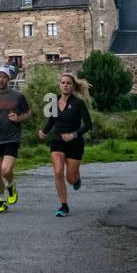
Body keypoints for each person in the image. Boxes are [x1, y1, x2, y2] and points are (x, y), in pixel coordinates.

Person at [39, 73, 93, 217]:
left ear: (73, 86)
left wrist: (73, 135)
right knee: (57, 171)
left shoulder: (78, 103)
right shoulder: (54, 101)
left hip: (75, 143)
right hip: (57, 141)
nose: (65, 85)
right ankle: (64, 206)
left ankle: (76, 177)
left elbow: (88, 125)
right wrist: (44, 131)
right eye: (63, 82)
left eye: (68, 83)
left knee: (70, 178)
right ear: (59, 85)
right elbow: (52, 120)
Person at [0, 66, 32, 213]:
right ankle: (2, 200)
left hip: (12, 138)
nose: (1, 79)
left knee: (6, 169)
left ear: (8, 79)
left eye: (4, 77)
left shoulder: (18, 97)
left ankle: (10, 184)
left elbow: (28, 113)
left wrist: (19, 117)